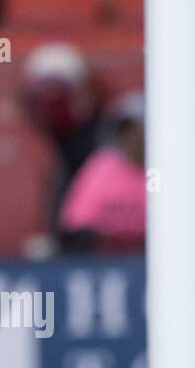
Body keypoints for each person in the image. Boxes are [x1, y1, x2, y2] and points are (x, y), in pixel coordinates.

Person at [57, 91, 146, 253]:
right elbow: (76, 224)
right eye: (125, 131)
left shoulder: (160, 172)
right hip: (106, 260)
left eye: (137, 131)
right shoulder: (103, 165)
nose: (132, 138)